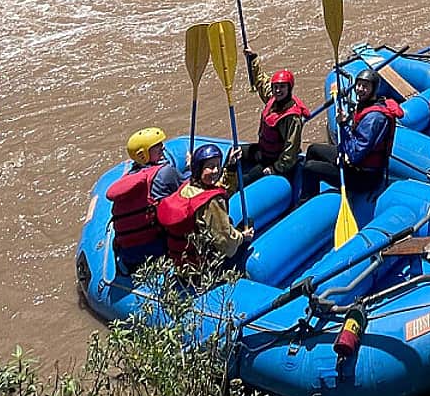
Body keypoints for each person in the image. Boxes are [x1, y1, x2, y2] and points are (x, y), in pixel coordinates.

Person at [302, 68, 403, 197]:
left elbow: (355, 155)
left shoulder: (374, 118)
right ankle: (312, 191)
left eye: (365, 86)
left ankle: (304, 202)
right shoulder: (367, 105)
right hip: (354, 162)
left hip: (363, 176)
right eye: (358, 85)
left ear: (374, 89)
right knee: (313, 149)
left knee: (310, 167)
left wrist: (343, 125)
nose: (360, 89)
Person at [157, 144, 254, 268]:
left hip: (182, 262)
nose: (215, 171)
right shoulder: (213, 202)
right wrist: (242, 236)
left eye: (218, 166)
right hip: (206, 265)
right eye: (210, 167)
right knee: (248, 224)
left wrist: (231, 167)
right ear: (199, 169)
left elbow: (220, 188)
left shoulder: (187, 187)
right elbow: (225, 243)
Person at [105, 127, 183, 273]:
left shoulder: (128, 178)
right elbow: (191, 189)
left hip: (129, 256)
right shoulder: (165, 173)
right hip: (158, 249)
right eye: (157, 146)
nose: (163, 148)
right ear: (143, 154)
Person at [243, 50, 310, 183]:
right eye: (276, 87)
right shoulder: (272, 99)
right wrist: (253, 59)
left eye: (282, 87)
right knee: (235, 153)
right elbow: (261, 81)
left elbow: (291, 150)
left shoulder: (292, 118)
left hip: (275, 159)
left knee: (247, 179)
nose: (278, 90)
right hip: (263, 151)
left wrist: (275, 168)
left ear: (289, 88)